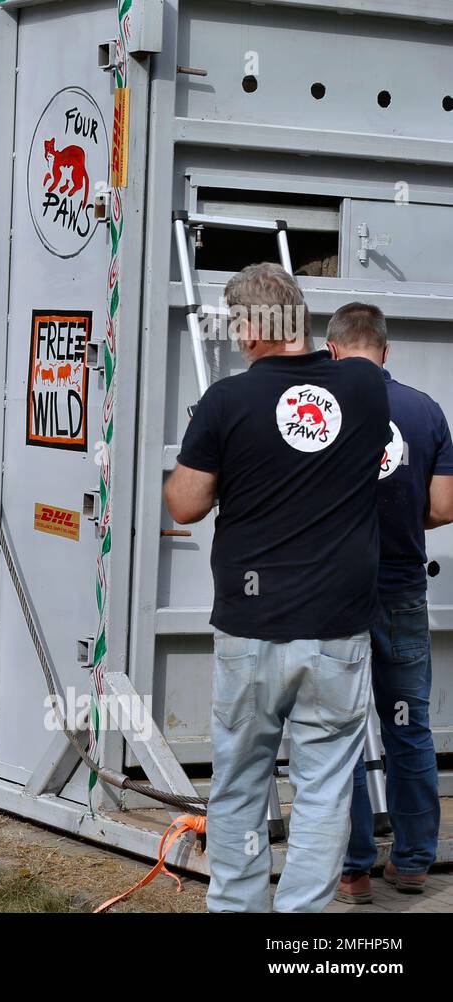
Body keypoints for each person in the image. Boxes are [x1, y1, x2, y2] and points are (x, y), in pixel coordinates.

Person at [164, 263, 390, 912]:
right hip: (337, 634)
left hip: (251, 630)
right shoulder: (366, 388)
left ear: (257, 327)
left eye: (238, 325)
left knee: (238, 784)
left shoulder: (226, 402)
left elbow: (185, 504)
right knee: (322, 792)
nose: (236, 338)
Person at [327, 304, 453, 901]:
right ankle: (411, 863)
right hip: (403, 589)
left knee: (341, 731)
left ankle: (352, 869)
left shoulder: (315, 409)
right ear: (386, 349)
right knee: (409, 728)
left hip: (336, 595)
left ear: (332, 351)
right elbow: (444, 508)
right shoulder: (426, 411)